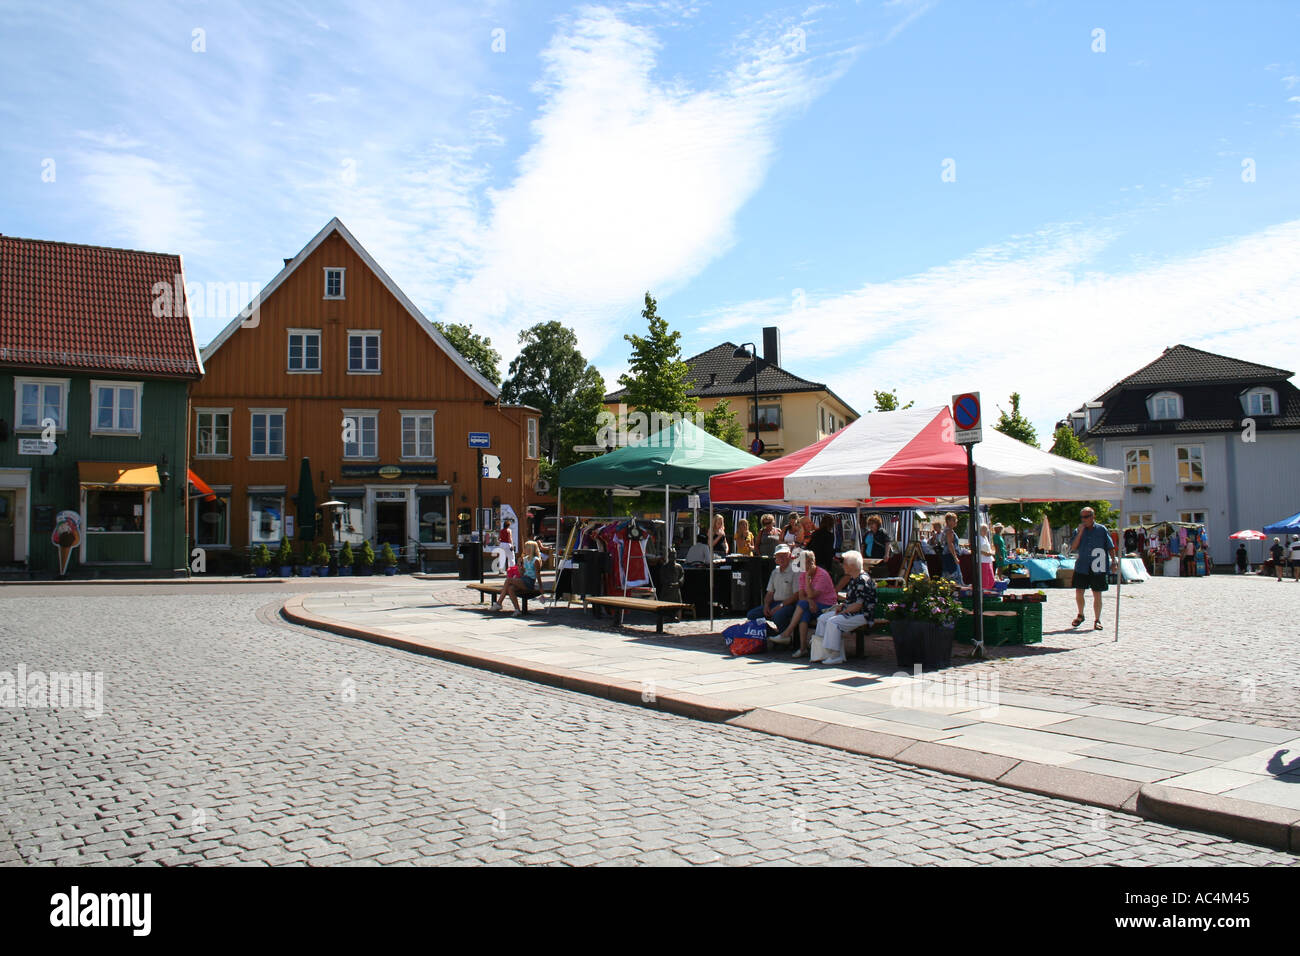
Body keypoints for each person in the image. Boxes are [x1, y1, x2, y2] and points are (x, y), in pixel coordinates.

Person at [812, 550, 876, 666]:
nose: (842, 566)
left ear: (851, 566)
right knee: (822, 618)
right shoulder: (853, 578)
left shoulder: (862, 580)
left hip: (863, 614)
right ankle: (821, 652)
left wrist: (843, 611)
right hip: (852, 612)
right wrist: (841, 607)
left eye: (844, 563)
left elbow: (858, 605)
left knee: (833, 622)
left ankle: (835, 654)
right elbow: (851, 600)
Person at [1069, 506, 1117, 630]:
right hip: (1083, 564)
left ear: (1092, 516)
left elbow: (1110, 546)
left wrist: (1113, 561)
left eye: (1086, 517)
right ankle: (1080, 614)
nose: (1084, 519)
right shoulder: (1078, 530)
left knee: (1097, 593)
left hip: (1098, 563)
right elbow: (1073, 547)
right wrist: (1080, 533)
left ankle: (1097, 619)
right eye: (1082, 517)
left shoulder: (1102, 530)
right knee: (1079, 591)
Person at [784, 551, 839, 657]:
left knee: (803, 605)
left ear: (812, 562)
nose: (804, 567)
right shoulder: (802, 574)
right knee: (804, 613)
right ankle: (803, 647)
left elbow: (811, 594)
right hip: (812, 605)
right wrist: (809, 601)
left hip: (827, 606)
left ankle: (788, 632)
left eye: (806, 563)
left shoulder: (822, 574)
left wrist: (808, 580)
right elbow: (801, 596)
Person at [746, 544, 798, 641]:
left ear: (789, 555)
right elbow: (770, 592)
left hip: (789, 604)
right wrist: (766, 605)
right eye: (779, 556)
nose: (781, 558)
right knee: (752, 615)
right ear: (775, 558)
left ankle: (785, 637)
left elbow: (796, 595)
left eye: (784, 555)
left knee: (778, 615)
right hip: (775, 603)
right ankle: (773, 634)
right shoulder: (775, 572)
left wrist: (780, 606)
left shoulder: (795, 572)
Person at [492, 540, 542, 616]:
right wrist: (519, 565)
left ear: (530, 549)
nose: (524, 549)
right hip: (523, 579)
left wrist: (541, 587)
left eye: (526, 547)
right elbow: (522, 573)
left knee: (508, 580)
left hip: (529, 581)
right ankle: (517, 609)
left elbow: (537, 574)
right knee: (510, 588)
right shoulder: (525, 559)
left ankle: (499, 602)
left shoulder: (536, 560)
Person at [940, 512, 964, 585]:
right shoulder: (949, 531)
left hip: (947, 556)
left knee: (947, 576)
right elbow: (950, 545)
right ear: (948, 521)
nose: (956, 521)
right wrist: (955, 557)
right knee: (953, 577)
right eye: (954, 520)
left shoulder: (946, 530)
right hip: (950, 556)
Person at [978, 523, 996, 590]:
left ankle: (987, 590)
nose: (985, 531)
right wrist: (985, 553)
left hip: (988, 560)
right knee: (985, 579)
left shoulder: (985, 538)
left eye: (986, 530)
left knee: (991, 579)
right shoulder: (978, 538)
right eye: (984, 530)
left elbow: (989, 548)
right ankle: (984, 592)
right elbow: (977, 549)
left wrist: (991, 552)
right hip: (982, 560)